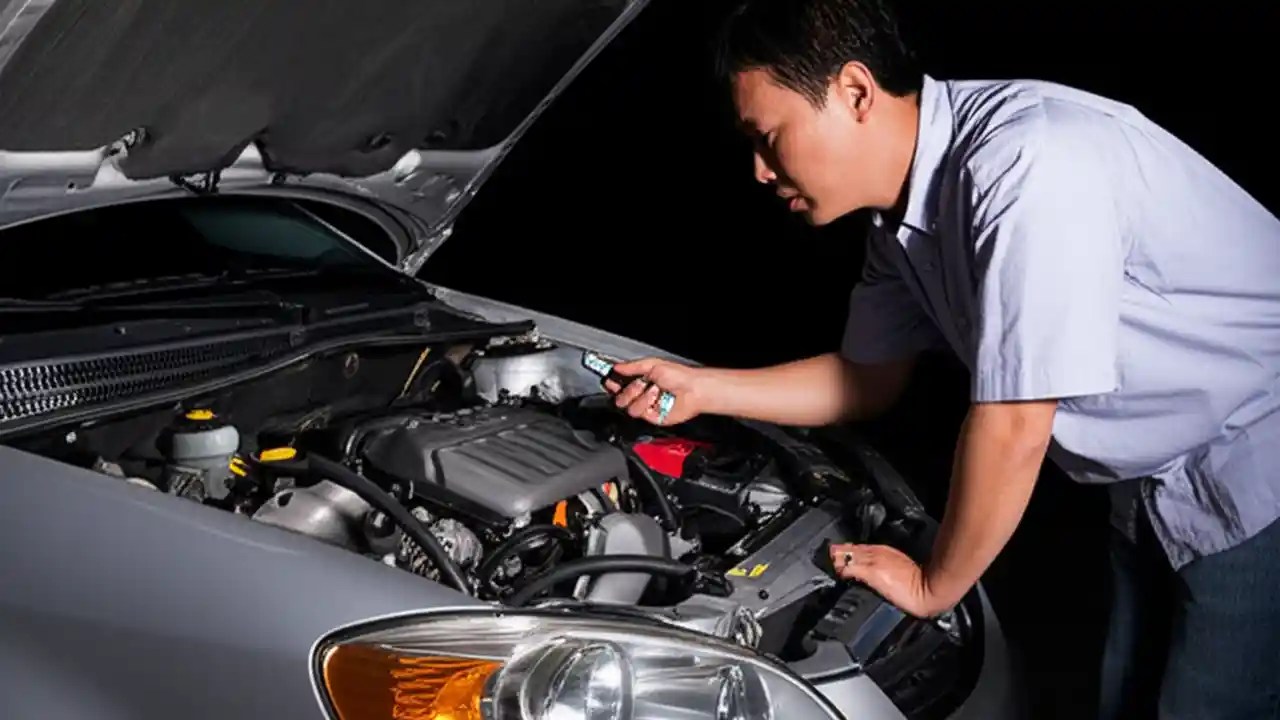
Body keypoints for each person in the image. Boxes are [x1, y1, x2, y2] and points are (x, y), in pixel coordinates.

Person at [601, 0, 1280, 717]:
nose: (761, 172)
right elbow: (863, 380)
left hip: (1253, 459)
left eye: (769, 137)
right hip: (1152, 483)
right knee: (1124, 701)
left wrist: (935, 586)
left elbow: (1015, 424)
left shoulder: (1024, 167)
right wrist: (702, 389)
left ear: (855, 91)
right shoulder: (899, 222)